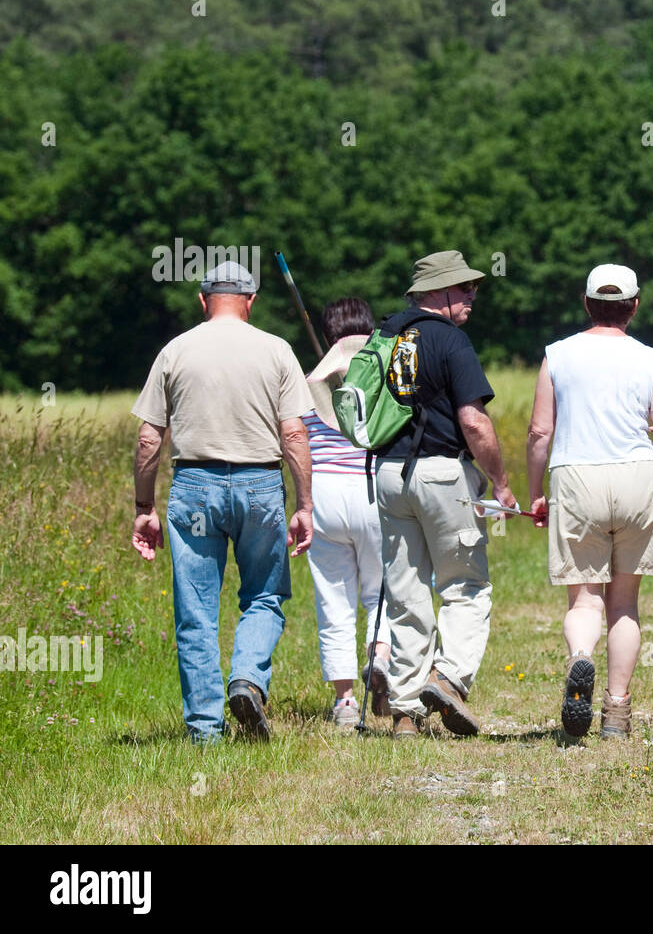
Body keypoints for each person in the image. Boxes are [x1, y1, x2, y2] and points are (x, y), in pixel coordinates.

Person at [131, 261, 314, 743]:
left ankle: (205, 732)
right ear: (251, 300)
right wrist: (304, 505)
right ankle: (248, 679)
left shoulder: (175, 350)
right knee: (265, 595)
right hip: (259, 485)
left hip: (194, 485)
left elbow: (150, 440)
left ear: (202, 299)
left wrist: (143, 507)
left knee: (195, 611)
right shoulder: (276, 350)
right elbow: (293, 432)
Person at [525, 264, 653, 740]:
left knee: (584, 598)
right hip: (637, 477)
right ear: (635, 306)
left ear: (585, 303)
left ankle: (581, 660)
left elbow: (540, 431)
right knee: (624, 602)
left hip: (576, 477)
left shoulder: (557, 356)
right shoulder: (651, 359)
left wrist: (536, 493)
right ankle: (616, 710)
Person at [374, 250, 516, 739]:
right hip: (440, 474)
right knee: (465, 585)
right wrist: (500, 482)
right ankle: (449, 677)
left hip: (388, 474)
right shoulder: (451, 340)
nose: (474, 296)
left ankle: (405, 713)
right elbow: (473, 421)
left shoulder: (386, 335)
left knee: (405, 593)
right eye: (466, 288)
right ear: (439, 292)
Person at [303, 298, 391, 728]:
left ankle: (345, 703)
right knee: (381, 592)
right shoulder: (386, 379)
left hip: (323, 495)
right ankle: (380, 657)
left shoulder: (306, 385)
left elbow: (294, 442)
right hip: (372, 489)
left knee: (333, 599)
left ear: (326, 336)